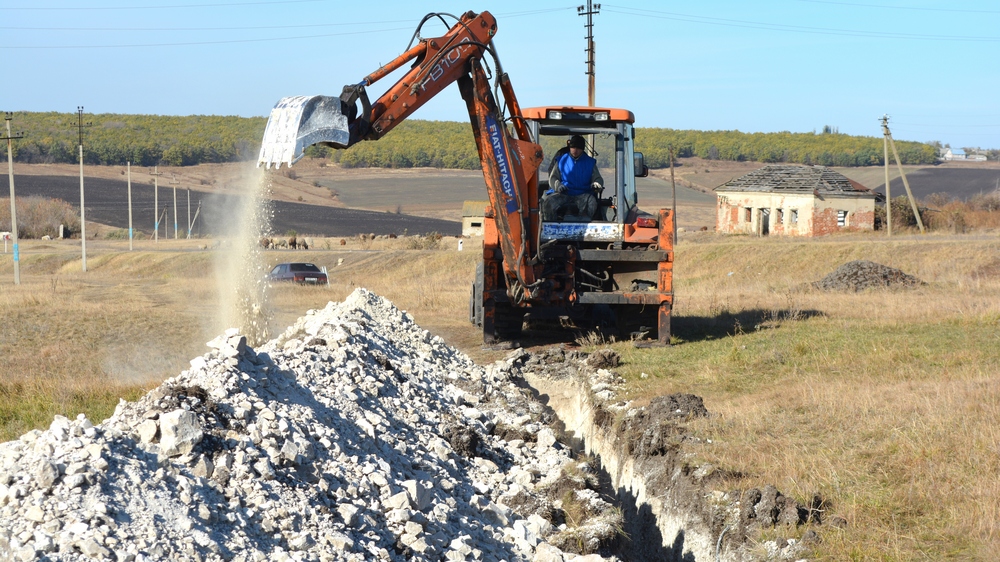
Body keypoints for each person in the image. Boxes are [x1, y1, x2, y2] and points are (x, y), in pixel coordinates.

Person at [542, 135, 604, 220]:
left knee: (592, 202)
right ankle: (551, 224)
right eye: (573, 147)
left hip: (583, 194)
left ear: (582, 149)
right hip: (564, 193)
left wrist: (597, 183)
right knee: (548, 202)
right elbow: (553, 178)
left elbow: (598, 178)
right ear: (570, 147)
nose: (575, 150)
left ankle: (584, 224)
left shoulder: (590, 162)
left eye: (578, 148)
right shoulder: (561, 160)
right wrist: (558, 185)